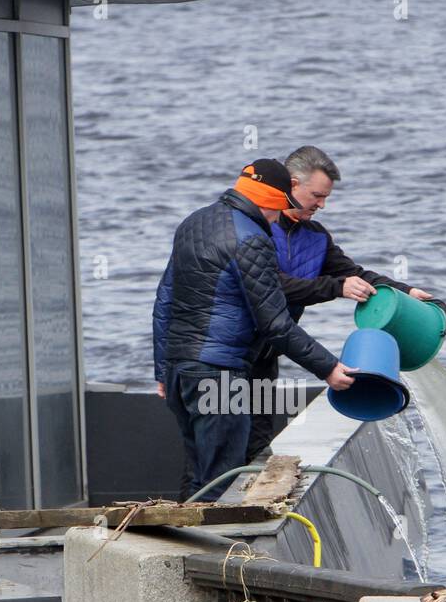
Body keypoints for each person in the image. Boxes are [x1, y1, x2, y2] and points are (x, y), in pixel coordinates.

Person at [152, 159, 355, 499]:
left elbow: (164, 301)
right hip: (219, 377)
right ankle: (219, 551)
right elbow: (275, 323)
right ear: (272, 201)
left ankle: (185, 543)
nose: (277, 219)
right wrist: (329, 368)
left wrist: (162, 369)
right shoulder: (252, 239)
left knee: (198, 472)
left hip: (178, 369)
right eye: (280, 209)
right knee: (223, 481)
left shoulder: (194, 222)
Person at [245, 146, 436, 462]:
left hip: (271, 349)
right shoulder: (255, 228)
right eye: (317, 196)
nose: (322, 205)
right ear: (292, 185)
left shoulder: (316, 237)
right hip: (232, 350)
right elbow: (272, 285)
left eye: (326, 198)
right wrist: (336, 288)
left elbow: (355, 275)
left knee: (259, 440)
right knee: (222, 436)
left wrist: (405, 292)